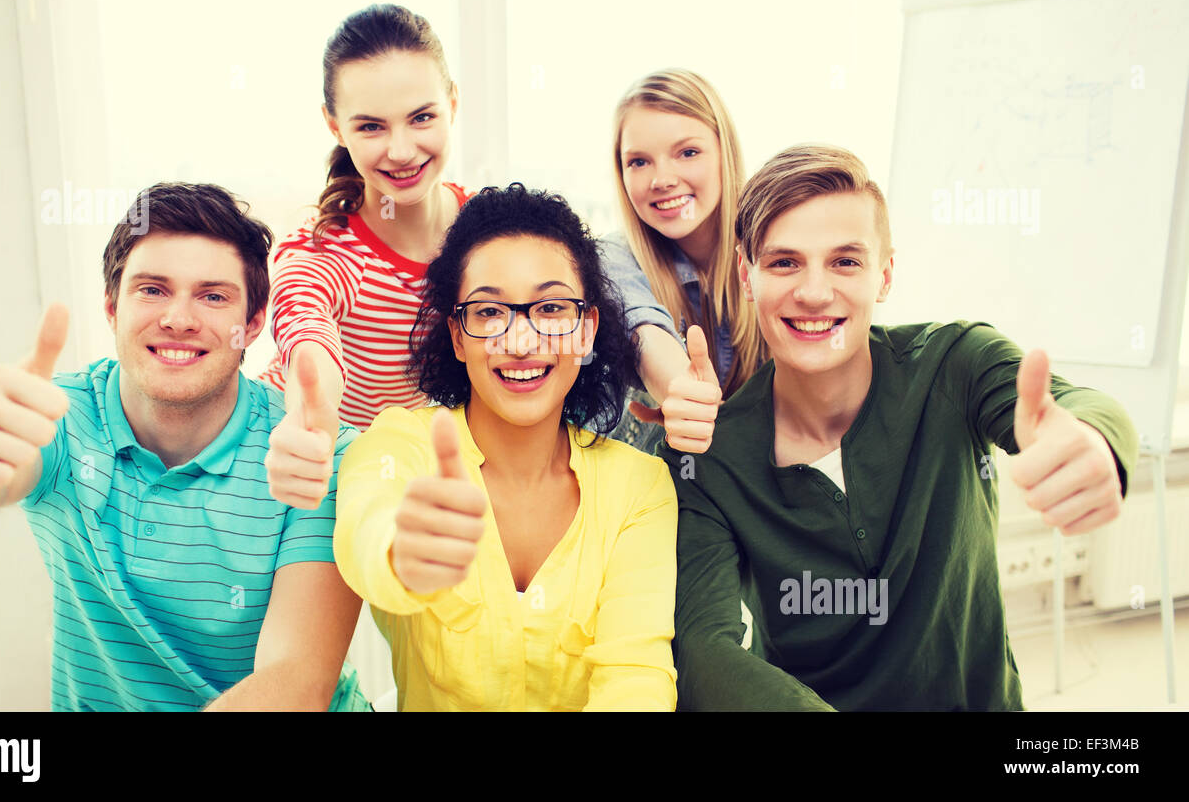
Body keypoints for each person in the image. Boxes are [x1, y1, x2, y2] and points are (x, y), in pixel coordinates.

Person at [663, 145, 1137, 711]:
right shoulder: (706, 456)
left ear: (884, 275)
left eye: (845, 261)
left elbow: (1074, 406)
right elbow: (703, 650)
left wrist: (1097, 441)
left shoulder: (956, 363)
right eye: (785, 262)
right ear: (747, 275)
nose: (814, 292)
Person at [0, 183, 367, 712]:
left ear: (252, 324)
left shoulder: (313, 453)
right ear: (111, 308)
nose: (178, 318)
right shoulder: (59, 417)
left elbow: (295, 682)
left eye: (213, 295)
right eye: (152, 289)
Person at [324, 184, 678, 711]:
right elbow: (366, 530)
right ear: (458, 336)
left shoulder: (640, 487)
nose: (521, 341)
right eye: (489, 312)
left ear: (587, 329)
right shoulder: (399, 445)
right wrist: (404, 554)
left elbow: (636, 682)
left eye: (552, 308)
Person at [260, 4, 471, 505]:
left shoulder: (488, 231)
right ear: (335, 127)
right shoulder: (323, 252)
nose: (400, 150)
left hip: (406, 473)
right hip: (304, 469)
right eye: (371, 127)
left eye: (421, 118)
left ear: (453, 105)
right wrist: (310, 411)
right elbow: (305, 324)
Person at [600, 69, 763, 455]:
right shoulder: (612, 256)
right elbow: (643, 329)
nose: (662, 179)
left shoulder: (771, 250)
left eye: (687, 153)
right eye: (639, 162)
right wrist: (684, 393)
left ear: (725, 152)